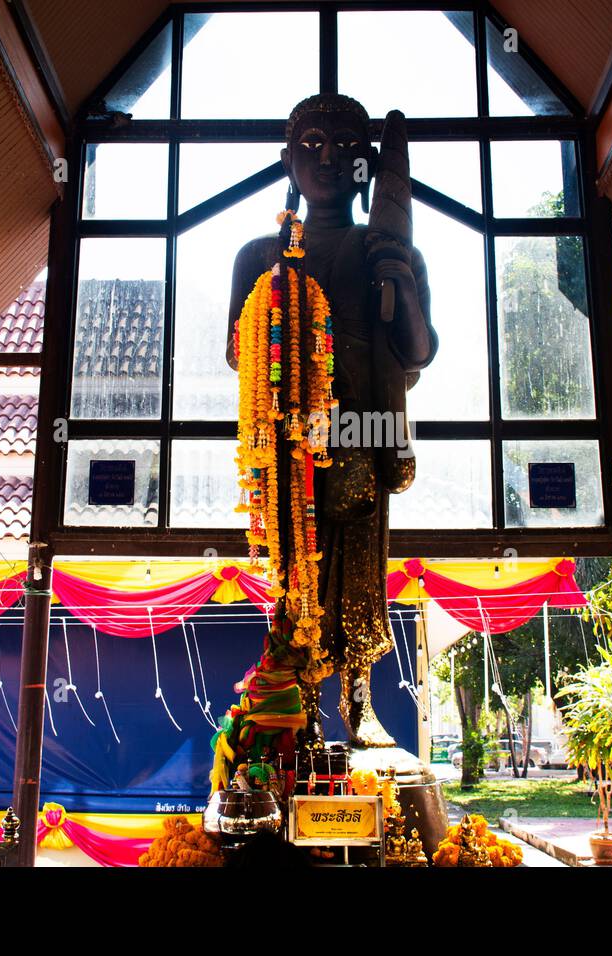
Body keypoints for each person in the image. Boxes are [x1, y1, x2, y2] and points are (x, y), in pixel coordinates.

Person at [225, 93, 437, 748]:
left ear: (368, 169)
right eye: (311, 144)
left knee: (358, 570)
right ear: (288, 160)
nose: (327, 159)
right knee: (296, 568)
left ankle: (357, 696)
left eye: (346, 148)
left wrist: (396, 276)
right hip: (290, 439)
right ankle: (299, 697)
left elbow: (419, 350)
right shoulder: (259, 253)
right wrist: (281, 308)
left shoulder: (385, 246)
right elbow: (239, 353)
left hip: (364, 429)